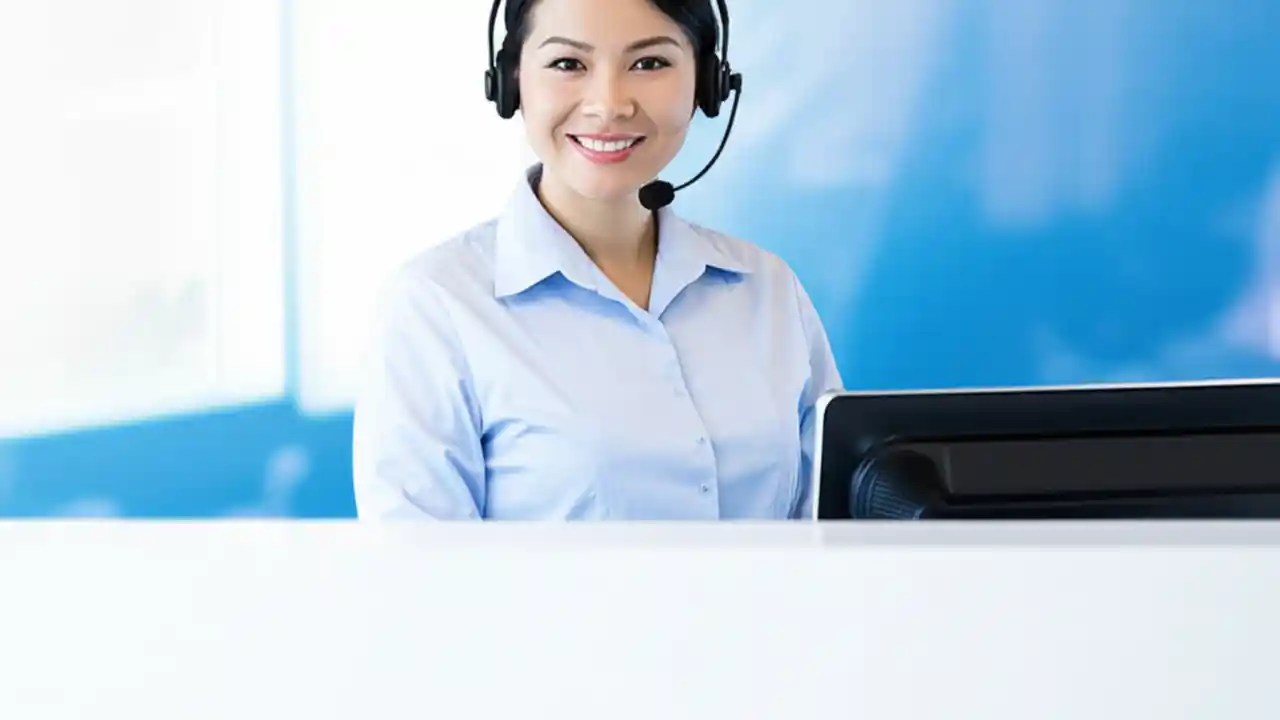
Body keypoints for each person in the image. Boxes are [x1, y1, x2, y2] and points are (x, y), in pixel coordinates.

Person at [352, 0, 842, 520]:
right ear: (511, 80)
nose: (608, 105)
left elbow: (836, 529)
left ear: (707, 84)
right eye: (568, 64)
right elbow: (420, 579)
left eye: (650, 63)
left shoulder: (765, 288)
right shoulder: (436, 305)